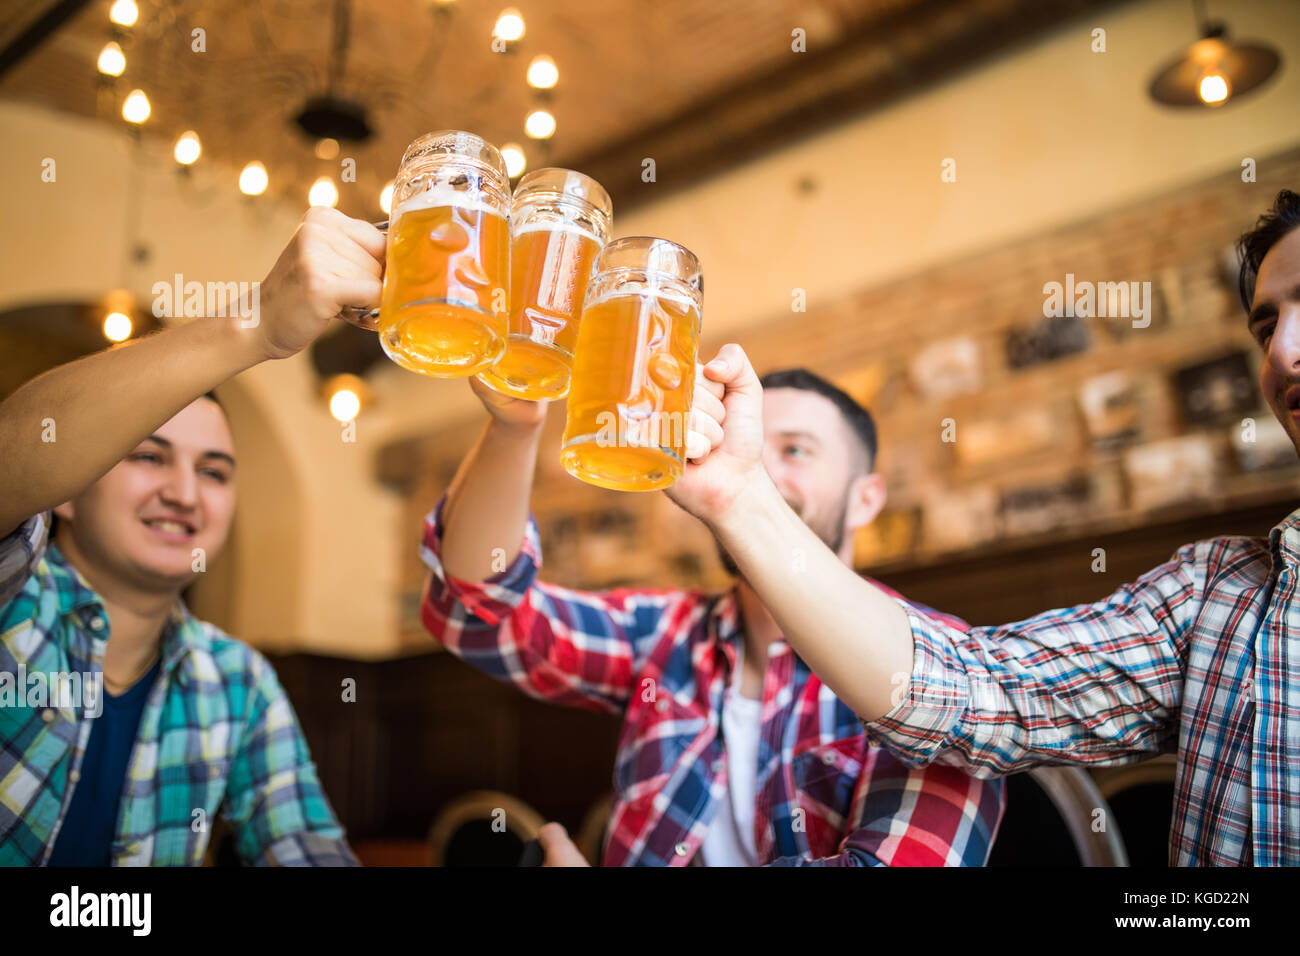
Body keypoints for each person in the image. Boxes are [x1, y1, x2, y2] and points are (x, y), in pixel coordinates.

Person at [673, 188, 1300, 867]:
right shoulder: (1221, 597)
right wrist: (736, 498)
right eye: (1265, 328)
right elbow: (976, 692)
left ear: (869, 497)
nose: (1282, 352)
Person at [420, 366, 1005, 866]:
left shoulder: (939, 661)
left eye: (795, 450)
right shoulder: (665, 632)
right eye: (744, 443)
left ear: (866, 499)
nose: (757, 468)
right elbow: (479, 615)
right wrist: (514, 428)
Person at [0, 206, 385, 865]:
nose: (183, 493)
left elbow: (307, 851)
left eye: (214, 472)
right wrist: (256, 324)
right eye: (148, 457)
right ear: (65, 487)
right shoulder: (12, 601)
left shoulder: (237, 681)